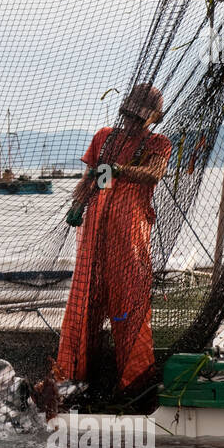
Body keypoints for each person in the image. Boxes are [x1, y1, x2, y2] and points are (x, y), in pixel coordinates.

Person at [53, 83, 170, 396]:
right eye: (129, 115)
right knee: (84, 303)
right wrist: (78, 203)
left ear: (153, 118)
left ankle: (134, 381)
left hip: (130, 238)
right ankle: (72, 376)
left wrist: (120, 169)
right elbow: (89, 178)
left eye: (139, 117)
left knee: (128, 306)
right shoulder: (105, 138)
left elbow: (153, 174)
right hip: (94, 235)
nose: (133, 121)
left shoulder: (158, 143)